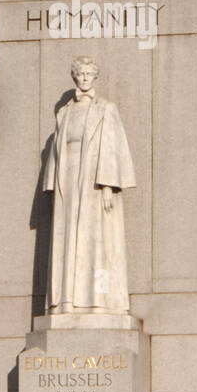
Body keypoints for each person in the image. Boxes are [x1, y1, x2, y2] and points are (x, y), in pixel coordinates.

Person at [43, 57, 135, 314]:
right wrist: (52, 187)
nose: (84, 78)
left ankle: (99, 300)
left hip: (94, 182)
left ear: (95, 77)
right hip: (68, 181)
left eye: (88, 74)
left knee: (95, 243)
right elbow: (56, 154)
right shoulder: (64, 113)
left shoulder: (106, 109)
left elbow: (113, 148)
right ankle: (67, 301)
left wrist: (107, 185)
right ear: (74, 77)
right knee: (67, 243)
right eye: (80, 74)